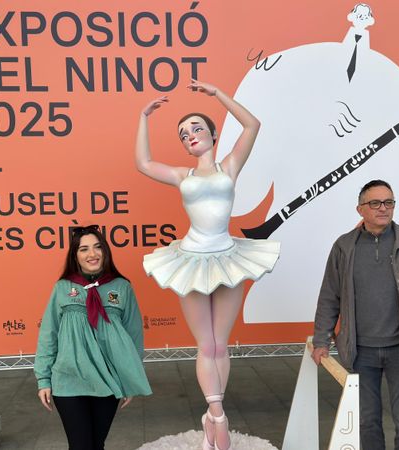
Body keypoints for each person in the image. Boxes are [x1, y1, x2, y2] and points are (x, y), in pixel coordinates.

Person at [136, 80, 280, 450]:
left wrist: (217, 96)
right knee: (206, 342)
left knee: (220, 344)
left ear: (213, 135)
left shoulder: (229, 166)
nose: (190, 136)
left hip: (228, 256)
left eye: (197, 128)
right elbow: (144, 164)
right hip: (191, 259)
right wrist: (143, 118)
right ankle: (216, 414)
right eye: (184, 134)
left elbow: (252, 126)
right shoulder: (182, 176)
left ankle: (212, 416)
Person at [311, 179, 399, 450]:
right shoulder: (344, 247)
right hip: (362, 352)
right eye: (375, 203)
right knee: (367, 422)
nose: (383, 208)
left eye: (389, 202)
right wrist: (322, 340)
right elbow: (329, 297)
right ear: (360, 209)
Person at [35, 225, 151, 450]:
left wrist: (129, 379)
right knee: (80, 445)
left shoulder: (122, 287)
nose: (92, 254)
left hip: (107, 380)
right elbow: (49, 334)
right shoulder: (63, 288)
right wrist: (43, 379)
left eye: (97, 247)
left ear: (105, 252)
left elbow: (133, 336)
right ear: (75, 256)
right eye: (84, 249)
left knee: (96, 445)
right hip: (68, 379)